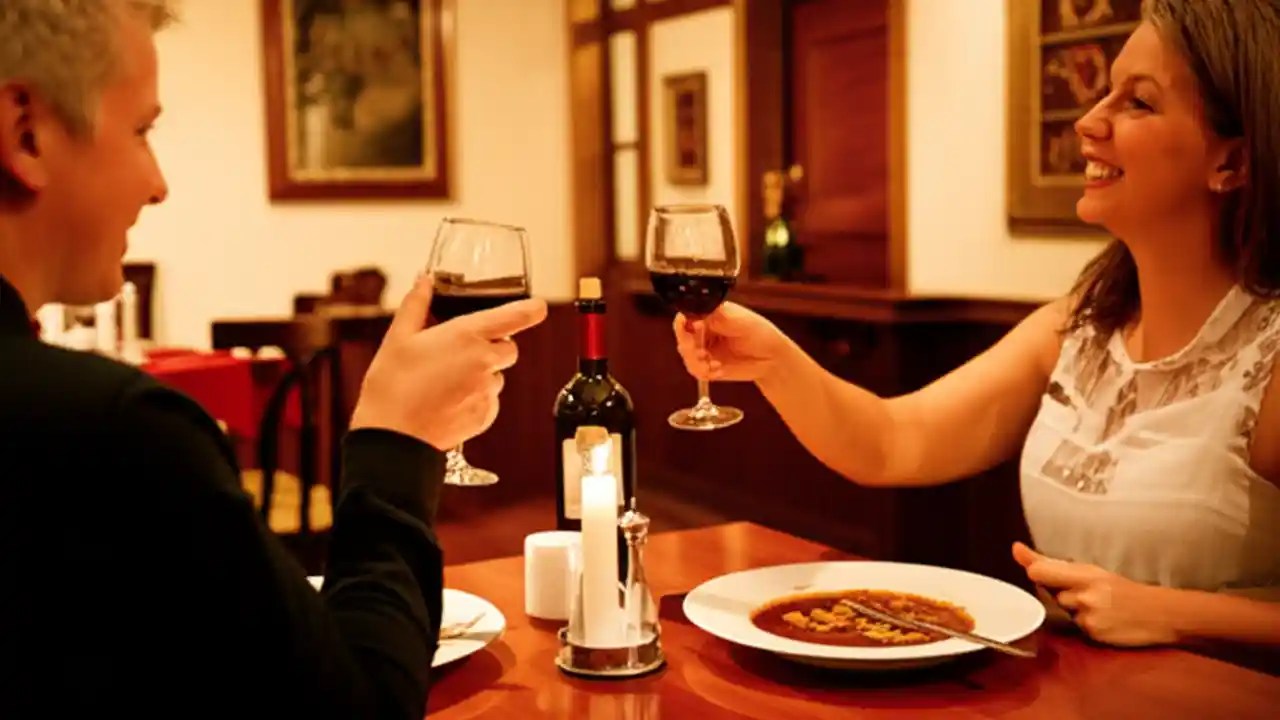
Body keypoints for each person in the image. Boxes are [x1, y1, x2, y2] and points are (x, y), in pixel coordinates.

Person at [675, 0, 1280, 649]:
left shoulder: (1266, 357)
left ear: (1233, 163)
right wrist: (772, 359)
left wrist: (1173, 612)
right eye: (1104, 92)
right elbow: (891, 441)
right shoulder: (1076, 328)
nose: (1087, 121)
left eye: (1138, 103)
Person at [0, 1, 546, 717]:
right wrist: (393, 444)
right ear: (27, 135)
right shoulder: (115, 433)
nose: (157, 184)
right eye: (142, 130)